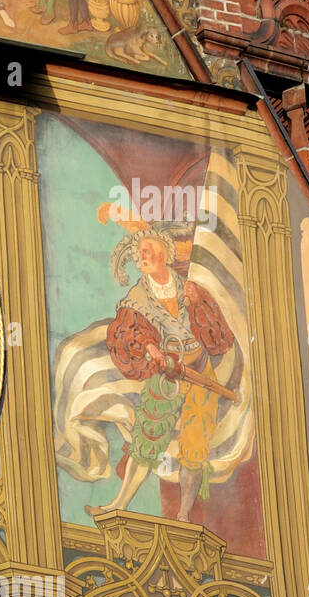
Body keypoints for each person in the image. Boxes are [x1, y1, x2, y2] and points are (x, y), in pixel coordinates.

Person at [85, 212, 239, 520]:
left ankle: (183, 515)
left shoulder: (190, 289)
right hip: (167, 374)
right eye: (139, 253)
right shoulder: (137, 297)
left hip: (200, 373)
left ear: (163, 254)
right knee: (147, 438)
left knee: (195, 446)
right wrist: (149, 347)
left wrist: (198, 304)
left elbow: (219, 337)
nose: (140, 256)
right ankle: (119, 503)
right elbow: (125, 333)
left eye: (146, 250)